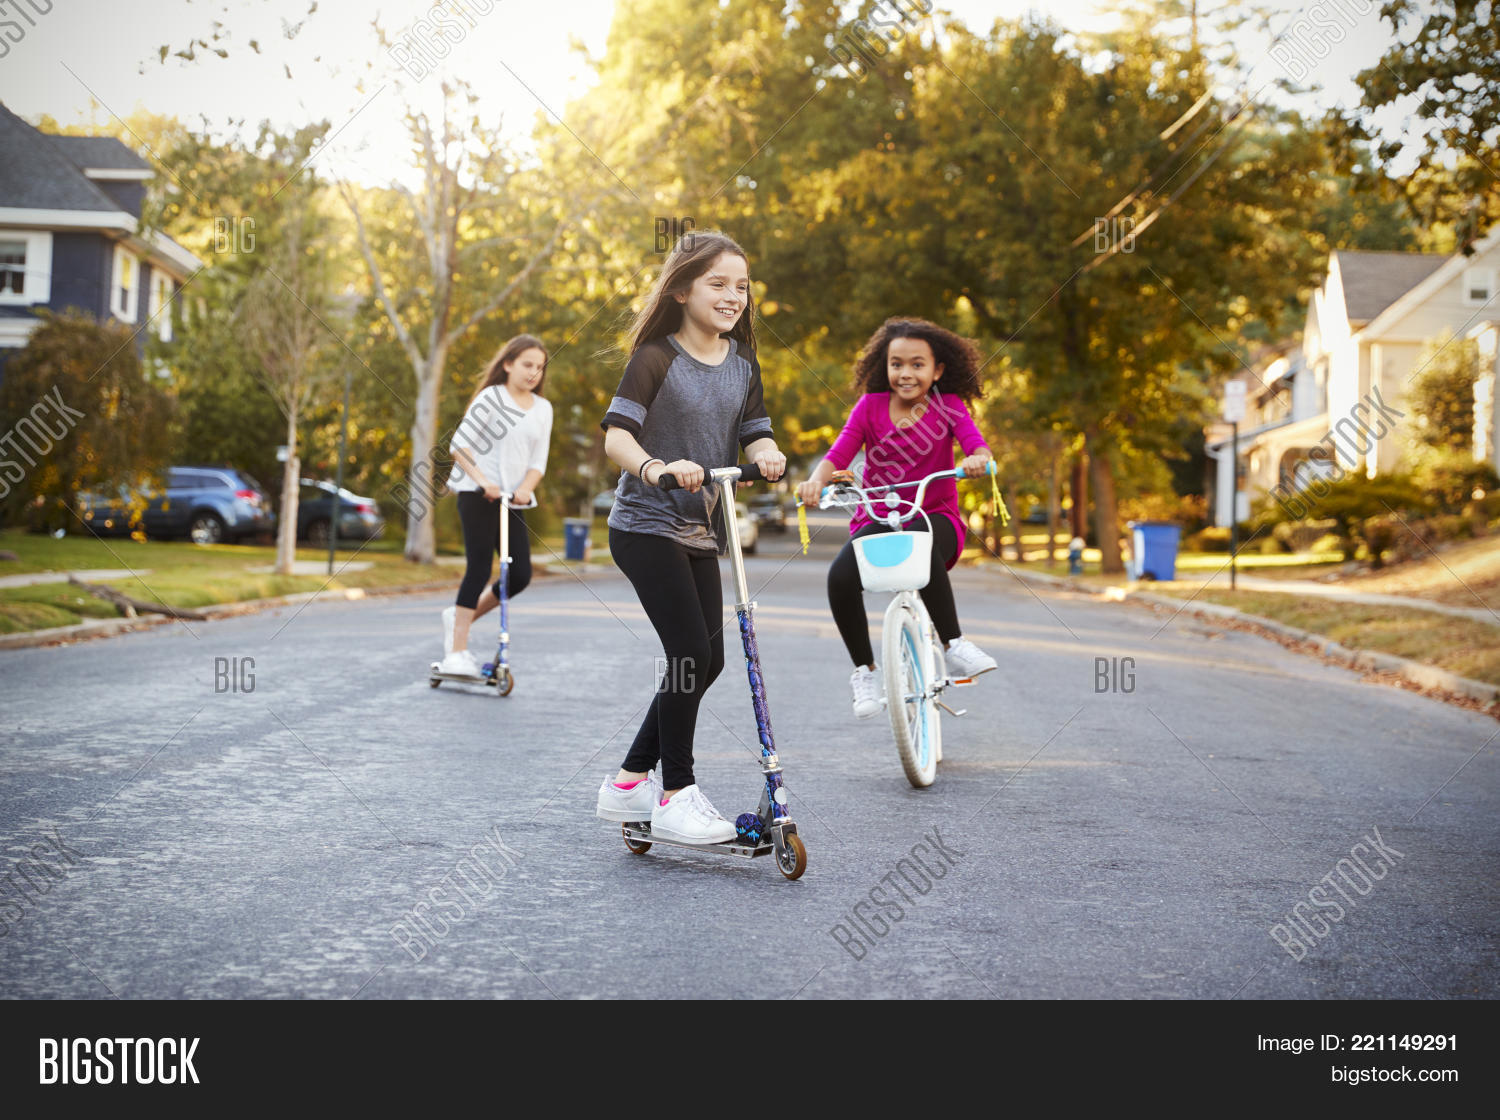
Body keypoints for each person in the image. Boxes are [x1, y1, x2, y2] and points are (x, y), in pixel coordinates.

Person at [593, 230, 786, 845]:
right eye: (719, 284)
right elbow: (617, 438)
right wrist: (656, 468)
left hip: (701, 527)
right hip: (645, 525)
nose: (734, 296)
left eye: (742, 286)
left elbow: (755, 434)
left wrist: (770, 452)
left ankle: (628, 782)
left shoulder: (743, 365)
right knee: (688, 655)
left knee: (709, 660)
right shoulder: (656, 358)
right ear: (681, 289)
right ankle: (675, 791)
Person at [796, 317, 997, 719]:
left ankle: (954, 644)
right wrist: (814, 482)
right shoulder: (869, 407)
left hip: (934, 517)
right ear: (883, 367)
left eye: (917, 364)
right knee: (839, 577)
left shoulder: (950, 407)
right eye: (897, 364)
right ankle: (865, 672)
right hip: (879, 515)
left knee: (919, 537)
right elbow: (838, 455)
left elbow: (979, 448)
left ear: (937, 370)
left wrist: (977, 461)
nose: (906, 373)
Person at [437, 334, 554, 677]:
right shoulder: (492, 398)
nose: (534, 372)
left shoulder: (543, 409)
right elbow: (460, 446)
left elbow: (538, 461)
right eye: (527, 365)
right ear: (508, 364)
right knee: (479, 568)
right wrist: (482, 481)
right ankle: (456, 652)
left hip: (512, 499)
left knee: (519, 575)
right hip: (477, 493)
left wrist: (524, 489)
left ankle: (460, 615)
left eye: (539, 367)